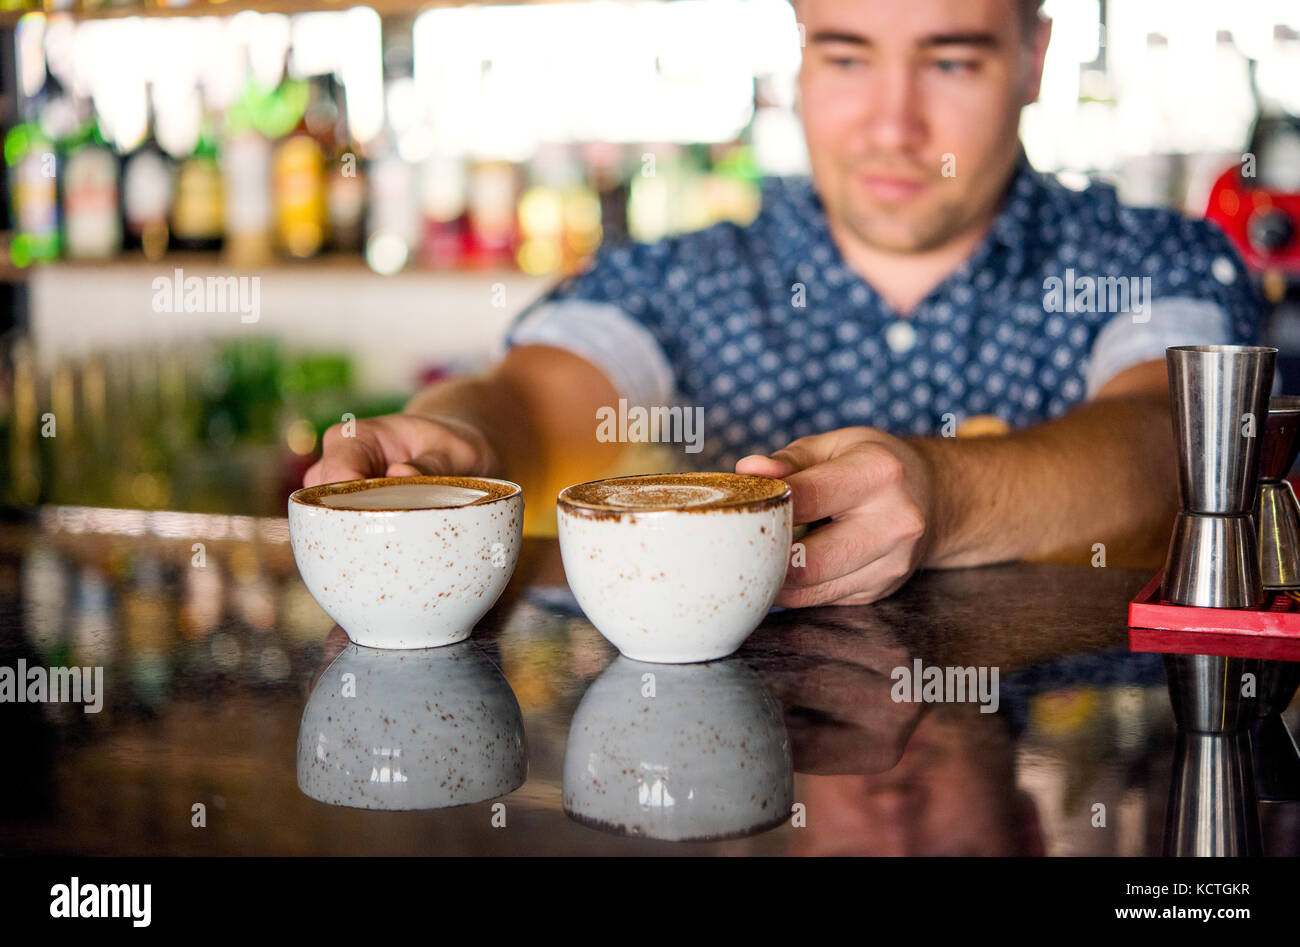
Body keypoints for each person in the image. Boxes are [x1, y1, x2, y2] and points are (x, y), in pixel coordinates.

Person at [306, 0, 1264, 606]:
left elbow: (1172, 450)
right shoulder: (683, 280)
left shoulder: (1151, 260)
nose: (893, 127)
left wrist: (949, 492)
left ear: (1032, 59)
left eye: (952, 61)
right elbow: (529, 401)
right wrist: (457, 445)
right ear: (800, 57)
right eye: (847, 58)